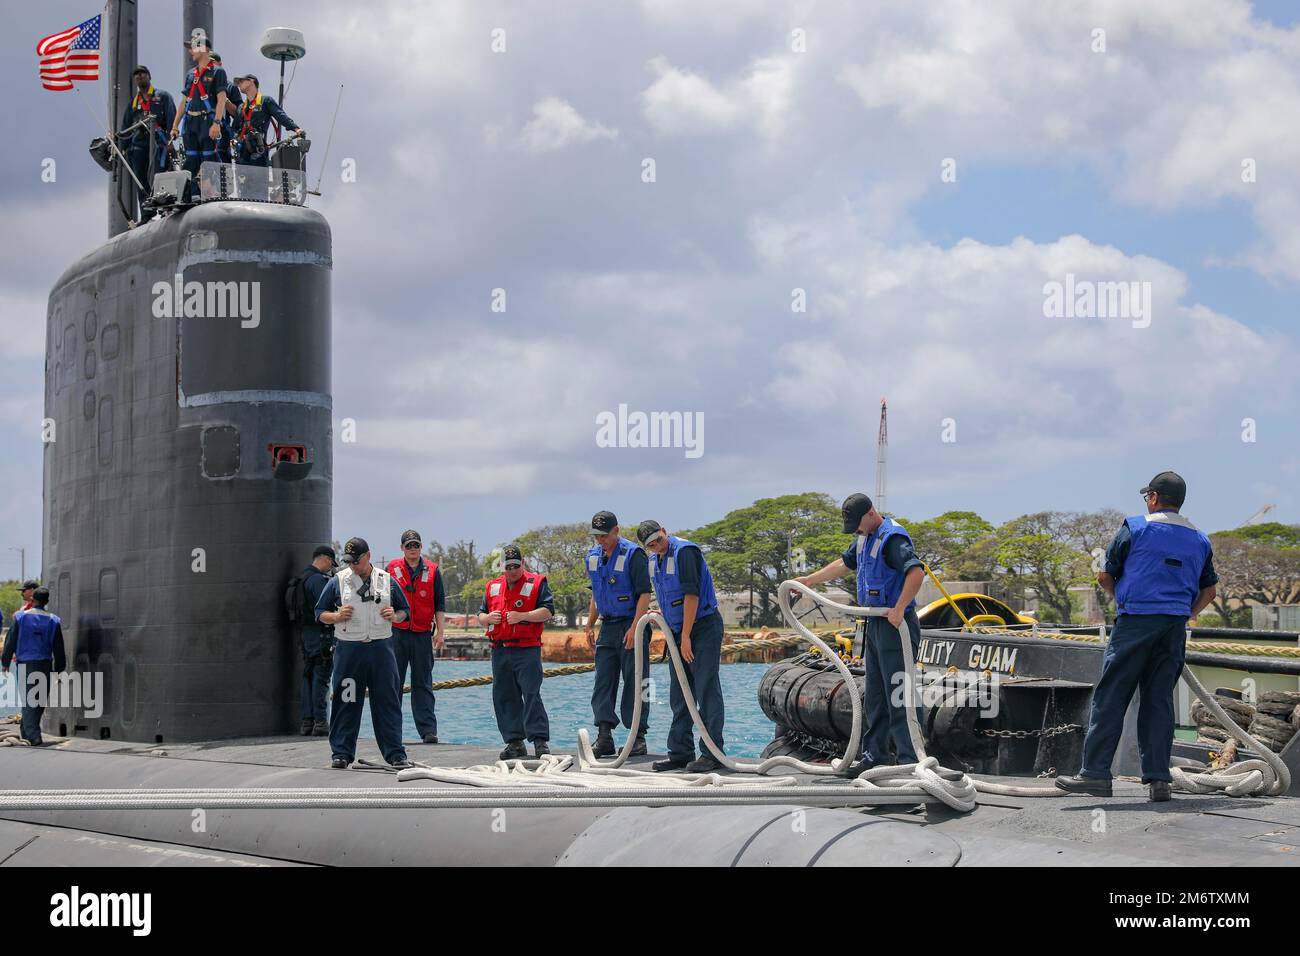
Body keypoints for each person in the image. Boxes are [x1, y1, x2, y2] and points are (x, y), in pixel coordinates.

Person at [1057, 471, 1218, 802]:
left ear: (1154, 498)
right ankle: (1159, 780)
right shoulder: (1200, 539)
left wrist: (1124, 598)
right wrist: (1187, 612)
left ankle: (1095, 774)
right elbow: (1210, 589)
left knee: (1112, 695)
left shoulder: (1135, 527)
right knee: (1158, 701)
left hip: (1135, 623)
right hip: (1173, 629)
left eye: (1147, 497)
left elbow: (1105, 574)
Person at [796, 493, 925, 772]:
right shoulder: (864, 538)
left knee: (898, 694)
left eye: (858, 524)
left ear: (870, 514)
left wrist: (899, 607)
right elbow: (845, 563)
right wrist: (810, 580)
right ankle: (875, 756)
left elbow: (916, 572)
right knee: (876, 695)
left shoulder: (893, 538)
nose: (856, 530)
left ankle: (910, 761)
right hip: (874, 624)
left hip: (895, 625)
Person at [313, 537, 412, 770]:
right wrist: (336, 617)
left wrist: (395, 616)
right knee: (346, 701)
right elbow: (319, 612)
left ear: (368, 556)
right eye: (349, 562)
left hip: (381, 649)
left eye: (356, 561)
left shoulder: (387, 581)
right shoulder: (338, 581)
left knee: (387, 701)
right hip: (349, 649)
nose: (352, 566)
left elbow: (404, 610)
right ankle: (341, 752)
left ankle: (395, 753)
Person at [636, 520, 726, 773]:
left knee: (706, 688)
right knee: (680, 693)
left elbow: (692, 596)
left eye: (659, 540)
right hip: (678, 631)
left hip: (702, 628)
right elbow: (668, 595)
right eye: (651, 545)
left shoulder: (685, 552)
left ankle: (713, 752)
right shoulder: (654, 561)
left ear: (664, 531)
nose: (657, 546)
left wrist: (686, 636)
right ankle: (680, 752)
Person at [584, 511, 653, 757]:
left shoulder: (634, 555)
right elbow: (596, 594)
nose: (600, 540)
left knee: (639, 682)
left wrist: (636, 627)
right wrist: (590, 624)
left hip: (632, 624)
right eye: (596, 536)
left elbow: (645, 593)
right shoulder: (592, 556)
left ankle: (638, 736)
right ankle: (604, 736)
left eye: (604, 535)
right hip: (608, 626)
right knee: (602, 681)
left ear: (616, 531)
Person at [477, 544, 553, 760]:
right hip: (499, 650)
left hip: (526, 648)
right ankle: (514, 742)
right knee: (504, 696)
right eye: (508, 566)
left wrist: (523, 615)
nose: (512, 570)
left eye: (516, 566)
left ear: (523, 563)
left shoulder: (537, 582)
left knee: (531, 693)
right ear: (501, 566)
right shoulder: (492, 586)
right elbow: (481, 613)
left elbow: (548, 611)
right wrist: (487, 619)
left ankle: (540, 741)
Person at [386, 530, 446, 744]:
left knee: (423, 683)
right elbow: (382, 601)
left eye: (416, 545)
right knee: (394, 683)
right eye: (409, 545)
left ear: (421, 547)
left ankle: (428, 730)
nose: (413, 549)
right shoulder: (391, 569)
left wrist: (441, 632)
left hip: (421, 635)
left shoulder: (432, 570)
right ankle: (392, 730)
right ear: (402, 548)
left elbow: (439, 603)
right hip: (396, 634)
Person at [1, 587, 67, 746]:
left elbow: (10, 641)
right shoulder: (54, 620)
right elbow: (58, 647)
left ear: (32, 600)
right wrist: (59, 668)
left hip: (25, 664)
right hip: (44, 664)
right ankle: (33, 735)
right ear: (47, 601)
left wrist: (5, 662)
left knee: (31, 699)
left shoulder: (20, 617)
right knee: (39, 699)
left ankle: (28, 732)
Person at [168, 34, 228, 193]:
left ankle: (216, 193)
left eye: (194, 47)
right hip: (190, 122)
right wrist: (175, 126)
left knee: (209, 159)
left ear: (205, 49)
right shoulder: (190, 74)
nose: (191, 51)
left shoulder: (218, 72)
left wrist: (216, 123)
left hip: (206, 121)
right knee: (191, 160)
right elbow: (183, 101)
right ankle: (192, 195)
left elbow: (222, 99)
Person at [118, 66, 175, 219]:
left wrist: (171, 141)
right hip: (139, 147)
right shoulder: (133, 104)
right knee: (141, 179)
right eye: (136, 75)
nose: (139, 77)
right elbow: (126, 128)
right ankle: (146, 213)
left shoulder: (163, 97)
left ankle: (164, 208)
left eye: (142, 74)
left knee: (159, 176)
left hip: (158, 144)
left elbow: (172, 119)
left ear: (149, 76)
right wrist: (122, 149)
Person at [297, 545, 336, 737]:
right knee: (321, 677)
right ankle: (320, 722)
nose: (330, 568)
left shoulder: (300, 579)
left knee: (308, 677)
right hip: (321, 635)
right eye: (331, 563)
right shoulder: (318, 580)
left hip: (306, 636)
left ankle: (307, 722)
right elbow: (327, 606)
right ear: (327, 559)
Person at [230, 74, 303, 167]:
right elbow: (234, 128)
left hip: (258, 149)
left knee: (259, 178)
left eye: (241, 81)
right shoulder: (242, 107)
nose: (239, 84)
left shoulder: (265, 101)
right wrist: (233, 140)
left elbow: (281, 116)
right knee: (242, 179)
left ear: (251, 81)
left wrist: (296, 128)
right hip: (242, 153)